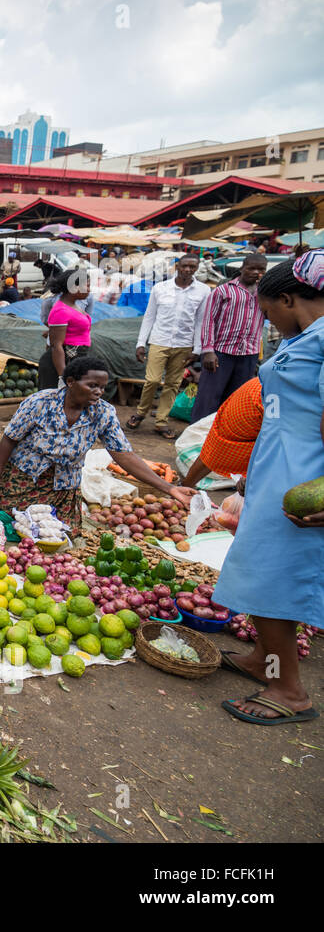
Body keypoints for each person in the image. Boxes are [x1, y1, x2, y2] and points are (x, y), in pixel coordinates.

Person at [215, 252, 324, 725]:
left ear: (287, 298)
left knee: (269, 574)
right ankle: (267, 660)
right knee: (264, 570)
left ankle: (290, 691)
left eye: (266, 313)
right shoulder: (308, 337)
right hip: (279, 468)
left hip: (303, 477)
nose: (266, 322)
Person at [0, 354, 195, 533]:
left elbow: (124, 455)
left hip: (63, 487)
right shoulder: (40, 402)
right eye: (92, 385)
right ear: (71, 382)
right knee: (10, 527)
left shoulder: (104, 413)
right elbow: (10, 439)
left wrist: (169, 488)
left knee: (59, 534)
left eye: (102, 387)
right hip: (24, 479)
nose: (99, 392)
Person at [128, 253, 210, 439]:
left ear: (196, 269)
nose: (188, 270)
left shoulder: (203, 291)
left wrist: (197, 349)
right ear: (177, 266)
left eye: (192, 267)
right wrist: (141, 343)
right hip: (159, 340)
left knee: (173, 384)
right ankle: (141, 412)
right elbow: (149, 317)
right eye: (184, 266)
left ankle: (161, 421)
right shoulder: (161, 288)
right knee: (153, 380)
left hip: (184, 344)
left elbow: (200, 321)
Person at [191, 253, 267, 422]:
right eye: (251, 268)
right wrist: (208, 351)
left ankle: (224, 438)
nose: (255, 272)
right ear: (242, 268)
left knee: (236, 399)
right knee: (208, 398)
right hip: (220, 353)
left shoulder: (265, 294)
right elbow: (208, 321)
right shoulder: (223, 290)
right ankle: (197, 438)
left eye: (260, 269)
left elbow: (271, 315)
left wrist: (265, 292)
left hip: (249, 353)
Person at [182, 376, 261, 488]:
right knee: (217, 449)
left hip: (259, 400)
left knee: (215, 451)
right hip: (254, 404)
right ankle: (184, 488)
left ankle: (184, 487)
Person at [38, 269, 93, 389]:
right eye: (87, 286)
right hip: (61, 364)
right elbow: (56, 345)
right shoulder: (60, 310)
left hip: (75, 361)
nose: (89, 290)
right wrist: (63, 377)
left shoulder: (74, 306)